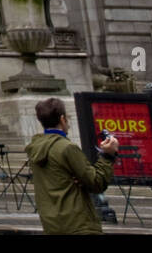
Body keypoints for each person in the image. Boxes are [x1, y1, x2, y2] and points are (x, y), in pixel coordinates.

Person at [25, 97, 119, 235]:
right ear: (62, 119)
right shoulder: (67, 148)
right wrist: (108, 155)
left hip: (52, 225)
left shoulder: (35, 148)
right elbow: (96, 183)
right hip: (78, 225)